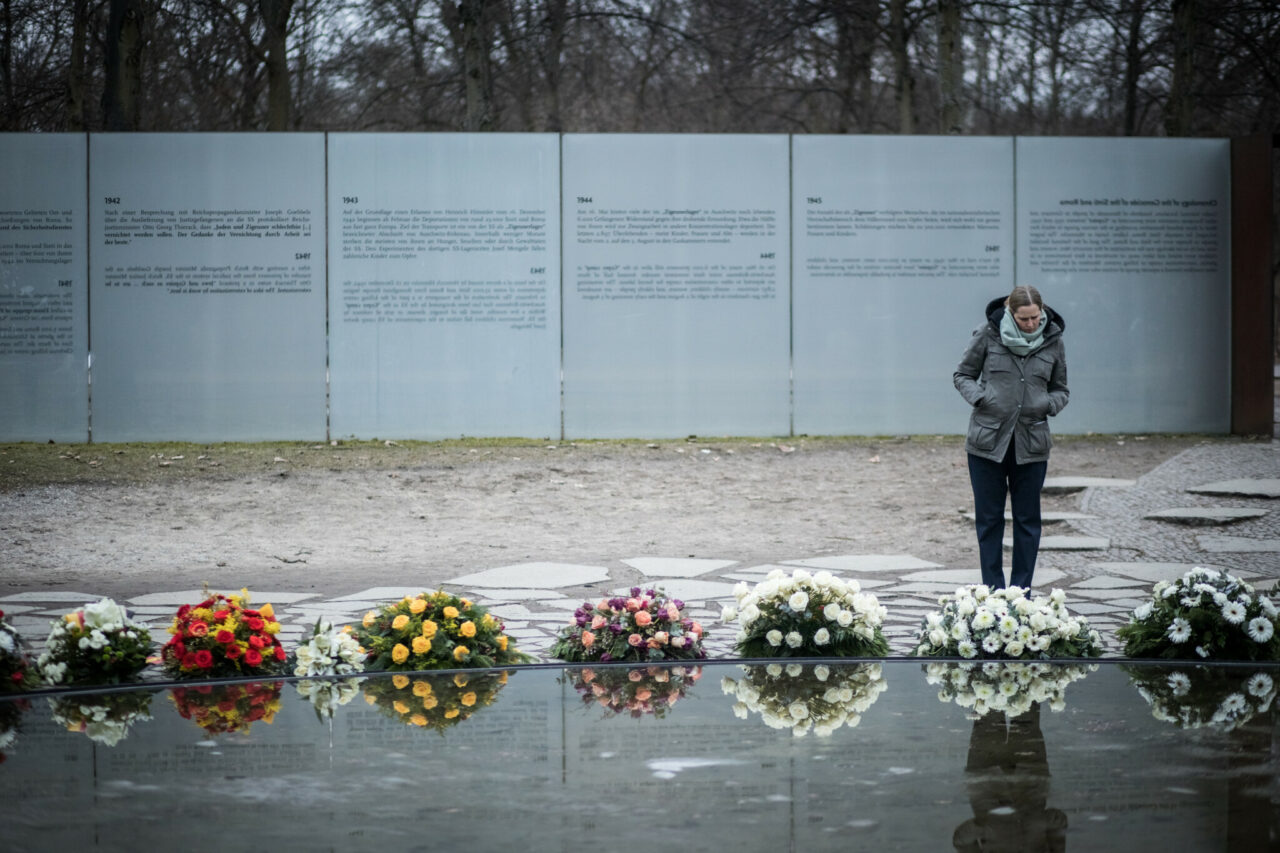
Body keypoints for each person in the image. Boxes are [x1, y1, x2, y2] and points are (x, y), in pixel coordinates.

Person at [953, 285, 1068, 590]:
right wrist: (981, 399)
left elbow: (1061, 389)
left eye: (1035, 317)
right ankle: (993, 592)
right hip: (986, 444)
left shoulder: (1053, 340)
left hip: (1031, 444)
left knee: (1027, 522)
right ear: (1010, 312)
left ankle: (1021, 593)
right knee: (989, 521)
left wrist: (1049, 404)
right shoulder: (987, 334)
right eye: (1023, 319)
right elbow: (962, 375)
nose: (1030, 324)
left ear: (1042, 312)